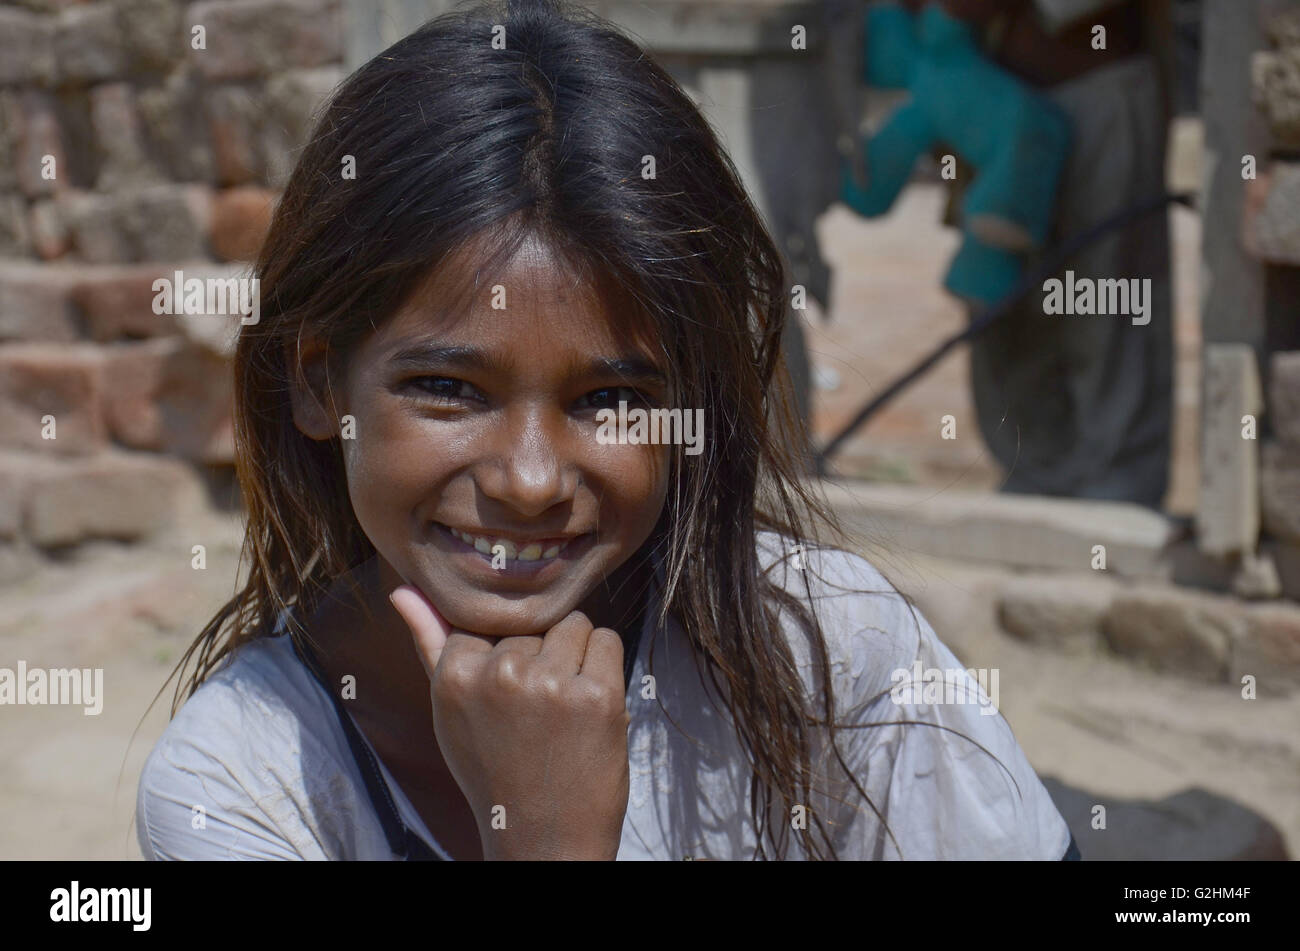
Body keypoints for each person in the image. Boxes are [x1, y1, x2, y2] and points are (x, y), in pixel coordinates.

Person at [135, 0, 1076, 861]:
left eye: (611, 399)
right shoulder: (241, 787)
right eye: (449, 389)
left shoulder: (829, 651)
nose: (532, 479)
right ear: (316, 382)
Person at [935, 0, 1175, 508]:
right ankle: (1036, 479)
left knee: (1104, 299)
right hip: (998, 102)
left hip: (1098, 84)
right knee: (1008, 304)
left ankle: (1115, 496)